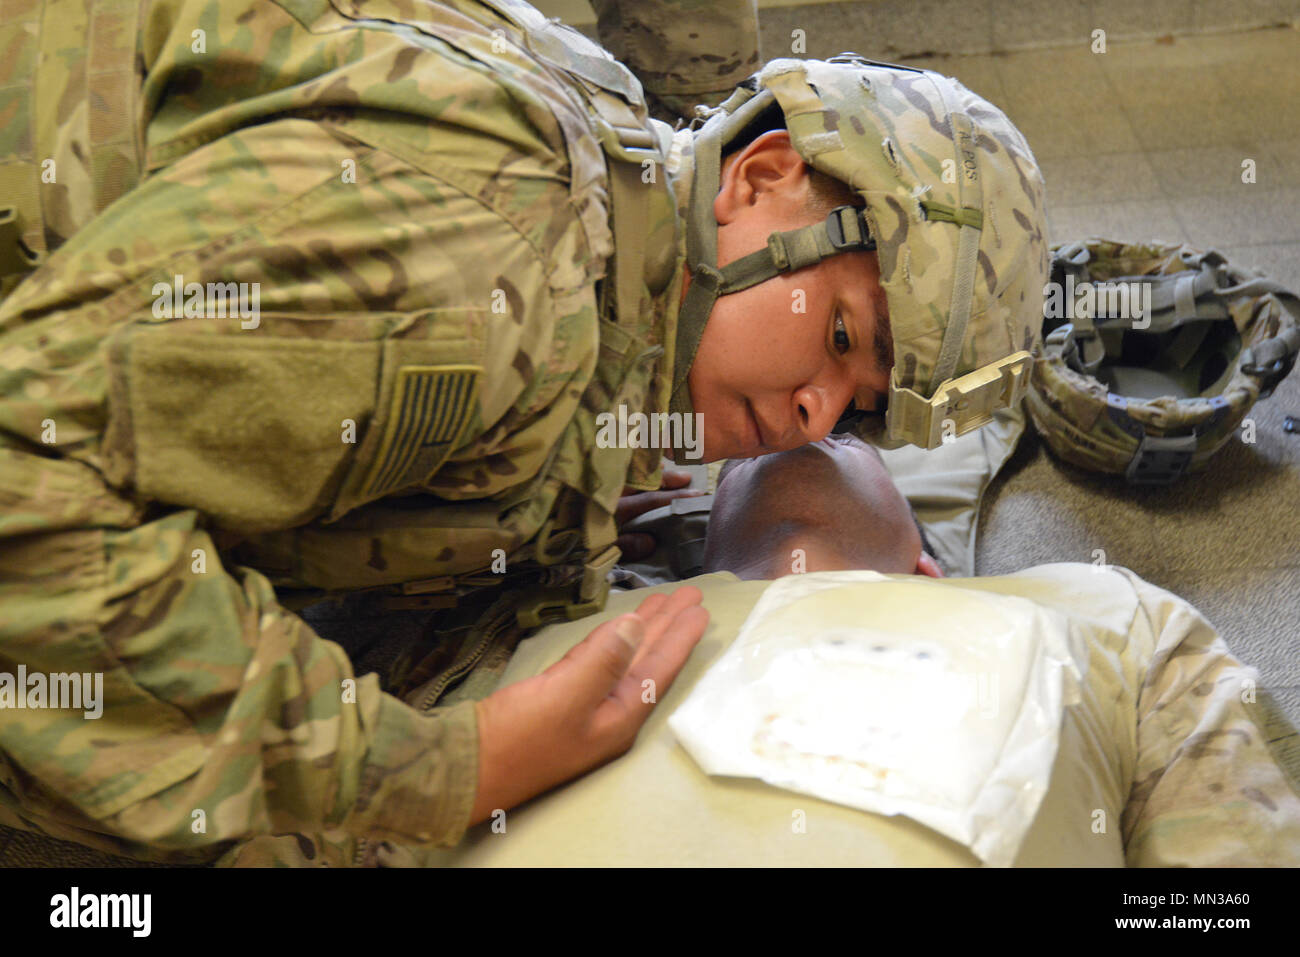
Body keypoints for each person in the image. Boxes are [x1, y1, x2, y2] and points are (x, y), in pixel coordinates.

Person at [0, 0, 1048, 864]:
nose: (816, 414)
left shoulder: (607, 153)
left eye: (858, 406)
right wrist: (458, 767)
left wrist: (558, 489)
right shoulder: (491, 263)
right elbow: (25, 493)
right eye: (836, 334)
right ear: (759, 177)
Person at [424, 433, 1300, 867]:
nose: (811, 427)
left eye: (852, 435)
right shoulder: (553, 626)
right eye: (739, 460)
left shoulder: (1100, 609)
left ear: (928, 566)